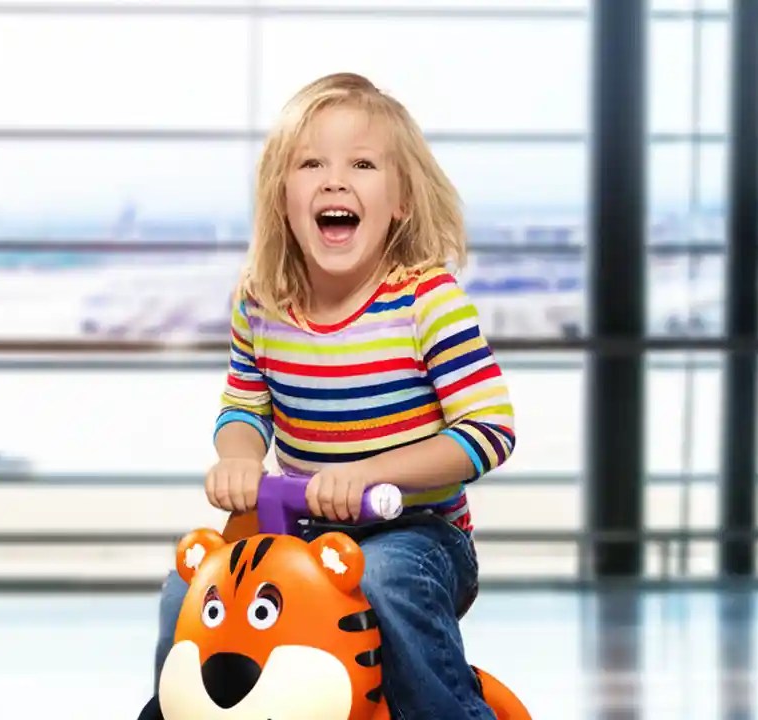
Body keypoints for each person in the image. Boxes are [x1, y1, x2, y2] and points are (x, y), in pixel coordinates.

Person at [153, 71, 516, 719]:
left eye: (363, 163)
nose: (334, 179)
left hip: (418, 533)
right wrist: (239, 458)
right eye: (311, 162)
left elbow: (487, 431)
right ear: (282, 197)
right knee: (189, 585)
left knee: (385, 581)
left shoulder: (426, 301)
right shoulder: (263, 303)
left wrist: (368, 474)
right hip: (297, 529)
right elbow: (243, 408)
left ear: (400, 198)